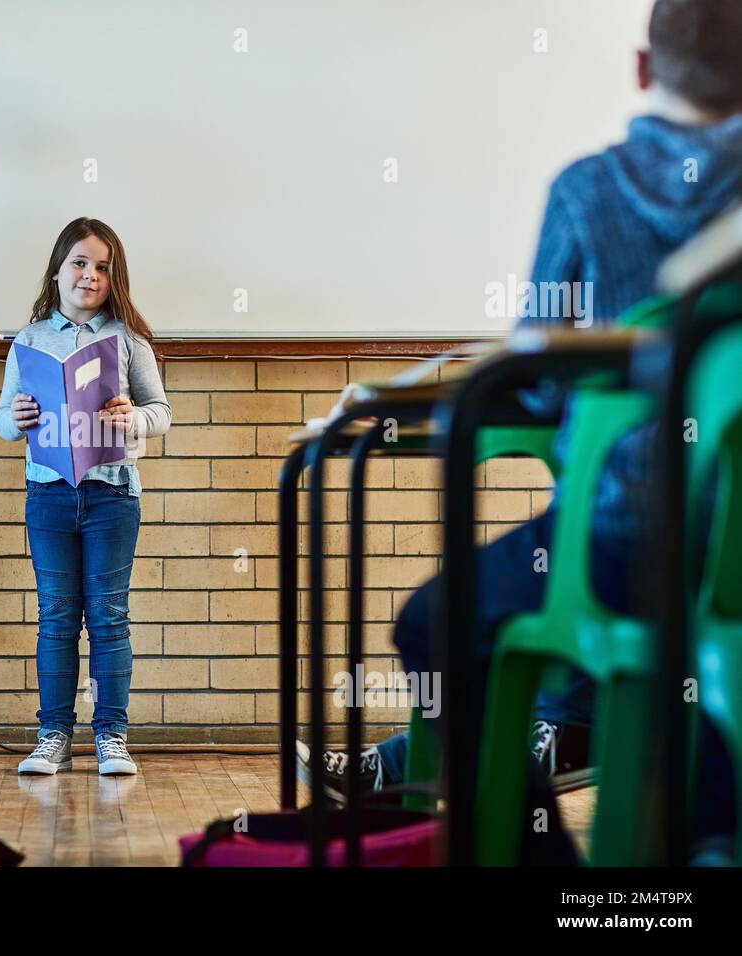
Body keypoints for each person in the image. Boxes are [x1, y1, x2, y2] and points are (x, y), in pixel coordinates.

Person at [305, 0, 742, 859]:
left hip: (624, 540)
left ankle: (542, 860)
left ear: (644, 70)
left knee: (438, 621)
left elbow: (537, 392)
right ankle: (710, 837)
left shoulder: (587, 191)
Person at [0, 218, 171, 775]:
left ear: (113, 279)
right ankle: (53, 735)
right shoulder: (29, 341)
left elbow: (161, 413)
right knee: (56, 617)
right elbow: (2, 418)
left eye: (101, 267)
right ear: (56, 271)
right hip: (48, 495)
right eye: (79, 263)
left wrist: (133, 416)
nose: (89, 275)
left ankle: (111, 736)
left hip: (112, 495)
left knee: (110, 617)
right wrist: (15, 418)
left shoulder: (129, 341)